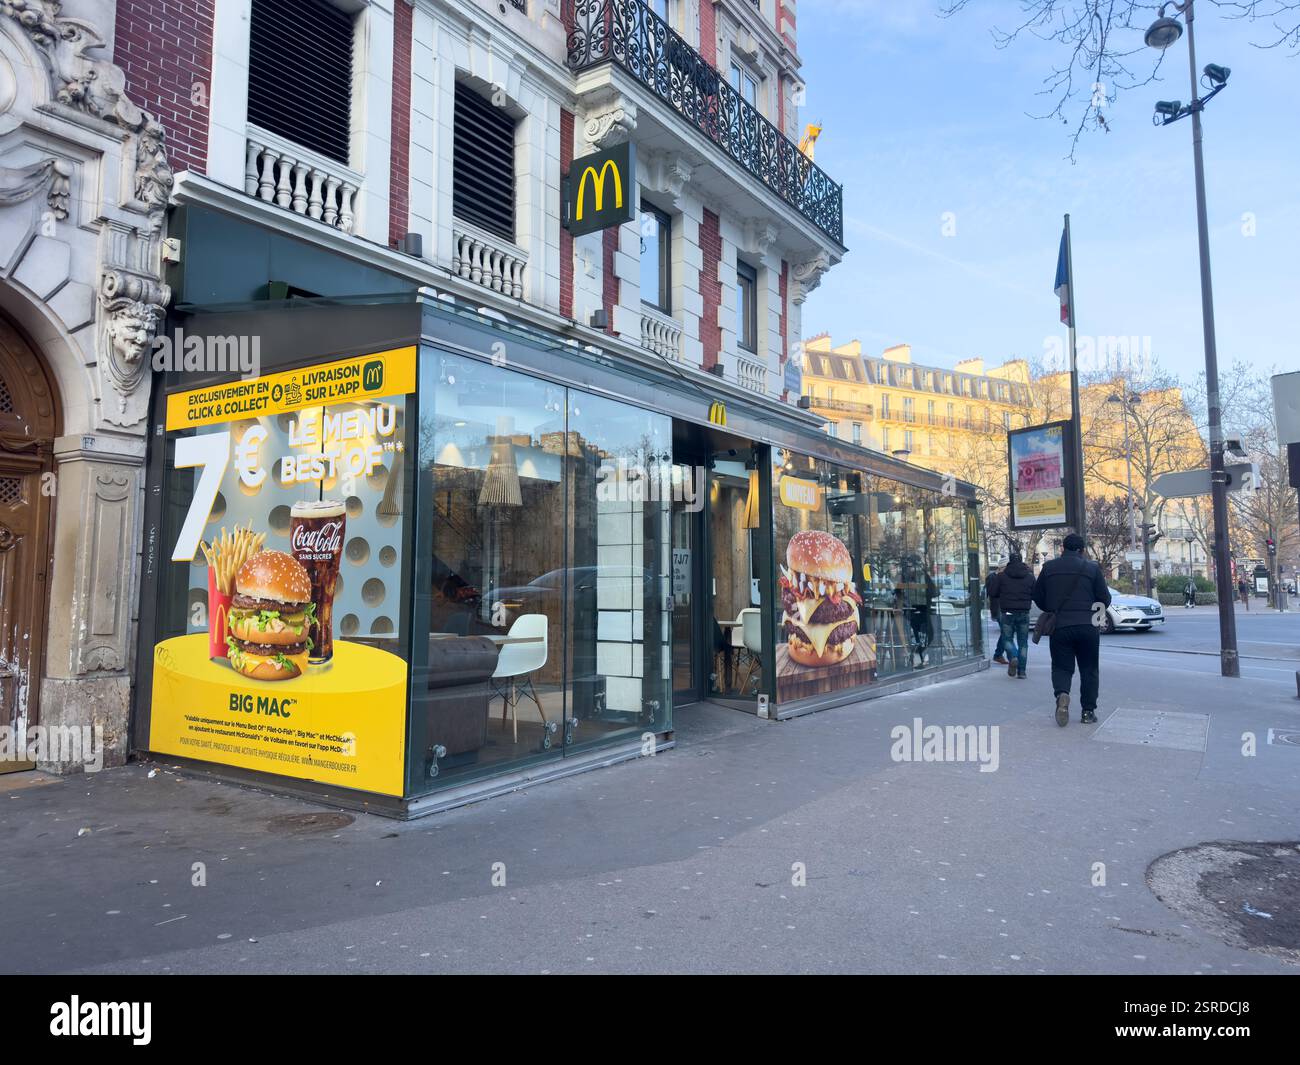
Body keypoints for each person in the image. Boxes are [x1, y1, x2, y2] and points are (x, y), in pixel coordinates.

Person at [1032, 533, 1111, 727]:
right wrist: (1094, 613)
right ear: (1082, 550)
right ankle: (1088, 712)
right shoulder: (1091, 568)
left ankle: (1062, 694)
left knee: (1061, 667)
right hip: (1087, 626)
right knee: (1089, 669)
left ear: (1062, 549)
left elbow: (1037, 595)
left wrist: (1052, 609)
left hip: (1061, 626)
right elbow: (1105, 598)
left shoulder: (1049, 567)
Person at [993, 553, 1035, 679]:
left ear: (1009, 562)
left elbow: (993, 592)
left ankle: (1013, 656)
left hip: (1007, 612)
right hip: (1024, 613)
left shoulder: (1001, 576)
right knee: (1023, 643)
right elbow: (1035, 593)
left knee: (1007, 639)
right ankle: (1022, 672)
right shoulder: (1030, 577)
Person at [985, 564, 1007, 664]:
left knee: (1005, 632)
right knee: (1006, 632)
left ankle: (998, 654)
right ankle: (998, 654)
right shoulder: (992, 577)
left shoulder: (1002, 577)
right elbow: (992, 593)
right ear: (1001, 567)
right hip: (998, 608)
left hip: (1003, 608)